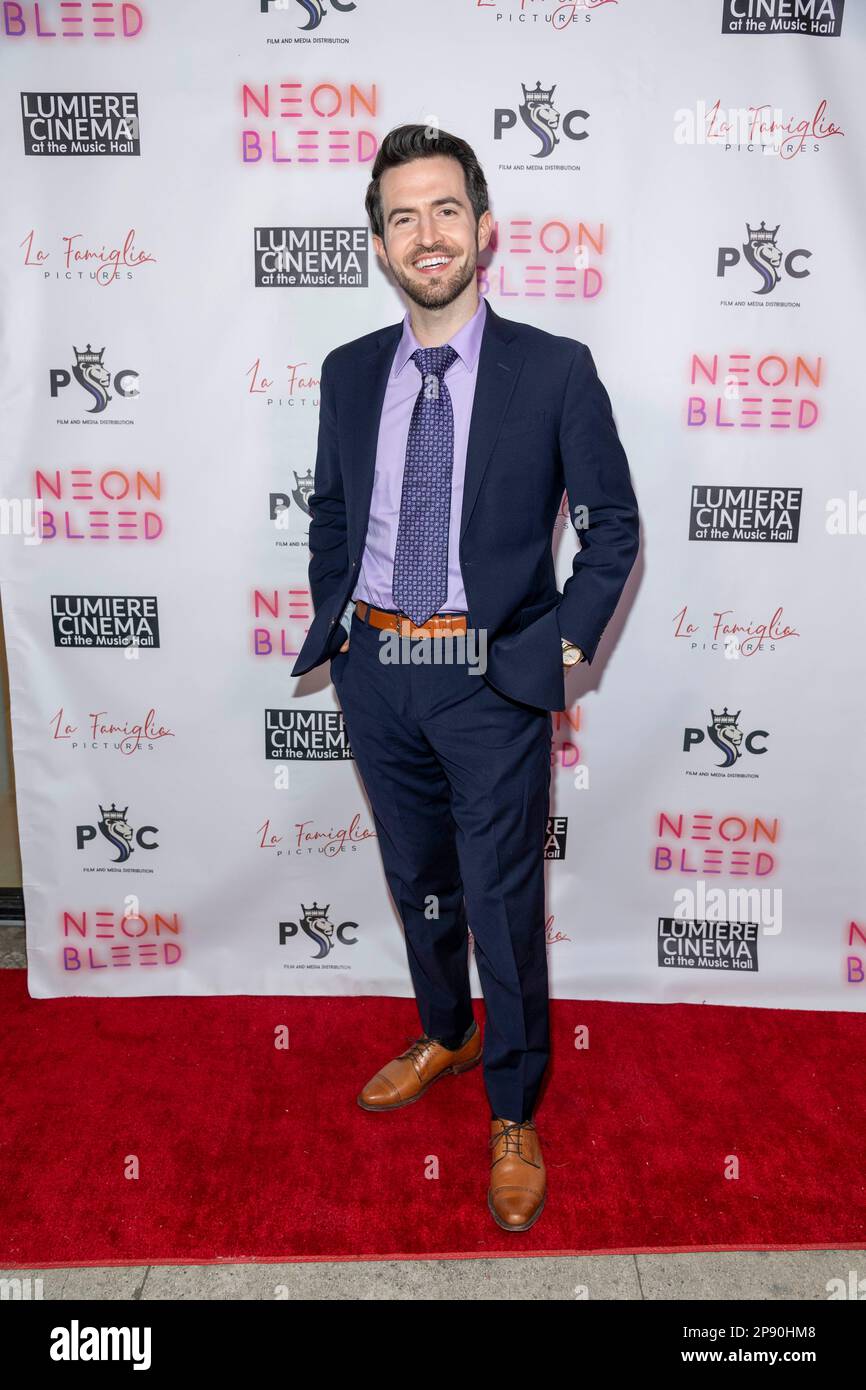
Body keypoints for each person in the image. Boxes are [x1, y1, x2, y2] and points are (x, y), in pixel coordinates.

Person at [291, 124, 640, 1232]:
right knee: (418, 881)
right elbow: (335, 515)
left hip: (489, 678)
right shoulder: (348, 374)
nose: (426, 233)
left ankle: (513, 1106)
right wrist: (341, 630)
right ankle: (447, 1029)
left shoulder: (552, 368)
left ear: (483, 231)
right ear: (381, 246)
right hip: (377, 668)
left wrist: (556, 654)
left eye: (445, 209)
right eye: (402, 216)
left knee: (498, 900)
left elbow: (612, 527)